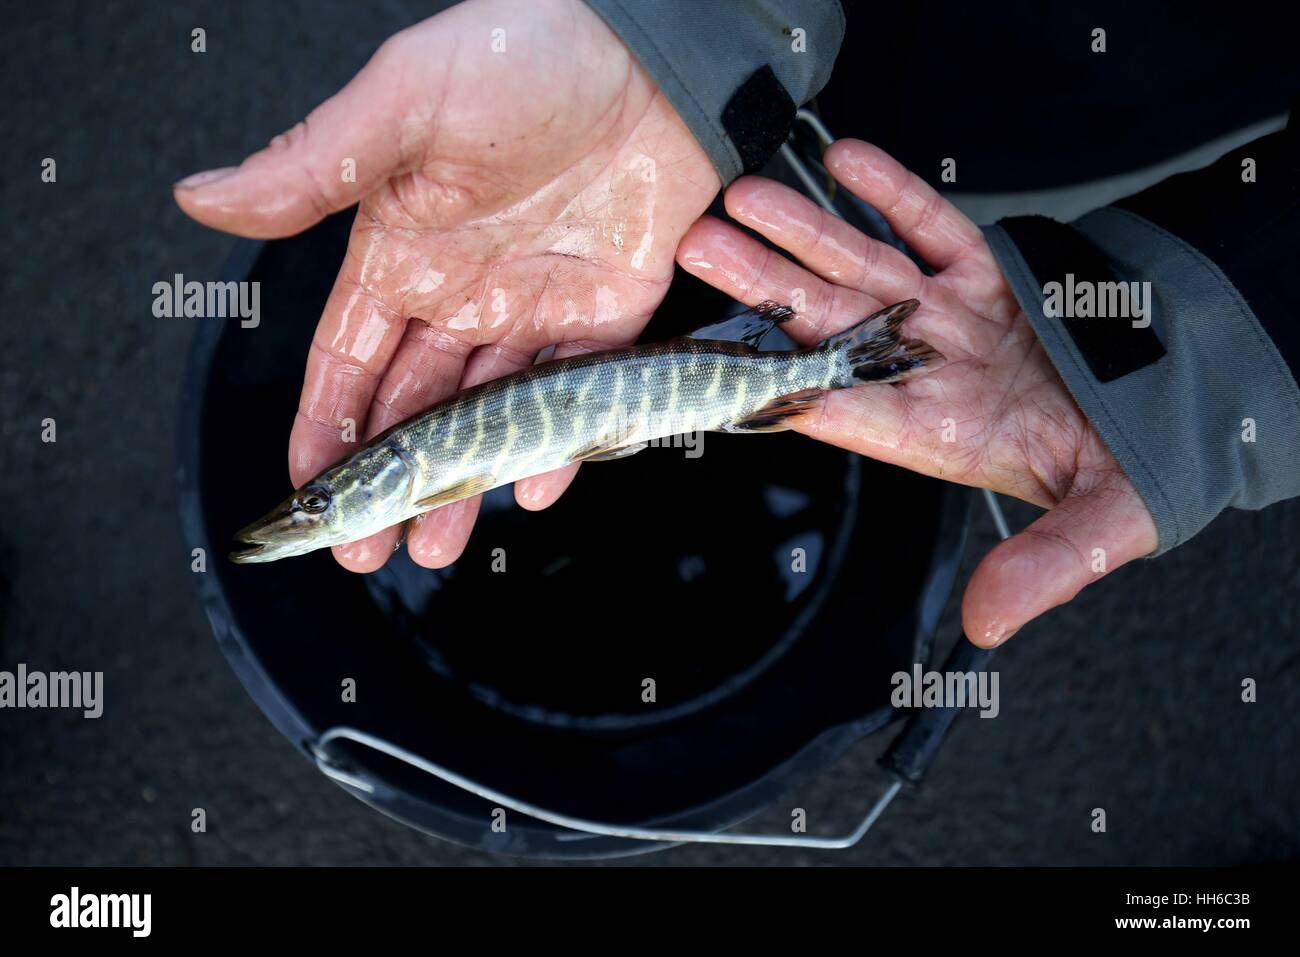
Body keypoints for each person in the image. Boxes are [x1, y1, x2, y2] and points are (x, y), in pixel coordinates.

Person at [173, 0, 1299, 648]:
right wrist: (682, 26)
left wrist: (1207, 360)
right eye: (326, 498)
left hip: (1130, 74)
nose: (313, 510)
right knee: (869, 160)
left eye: (327, 496)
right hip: (838, 53)